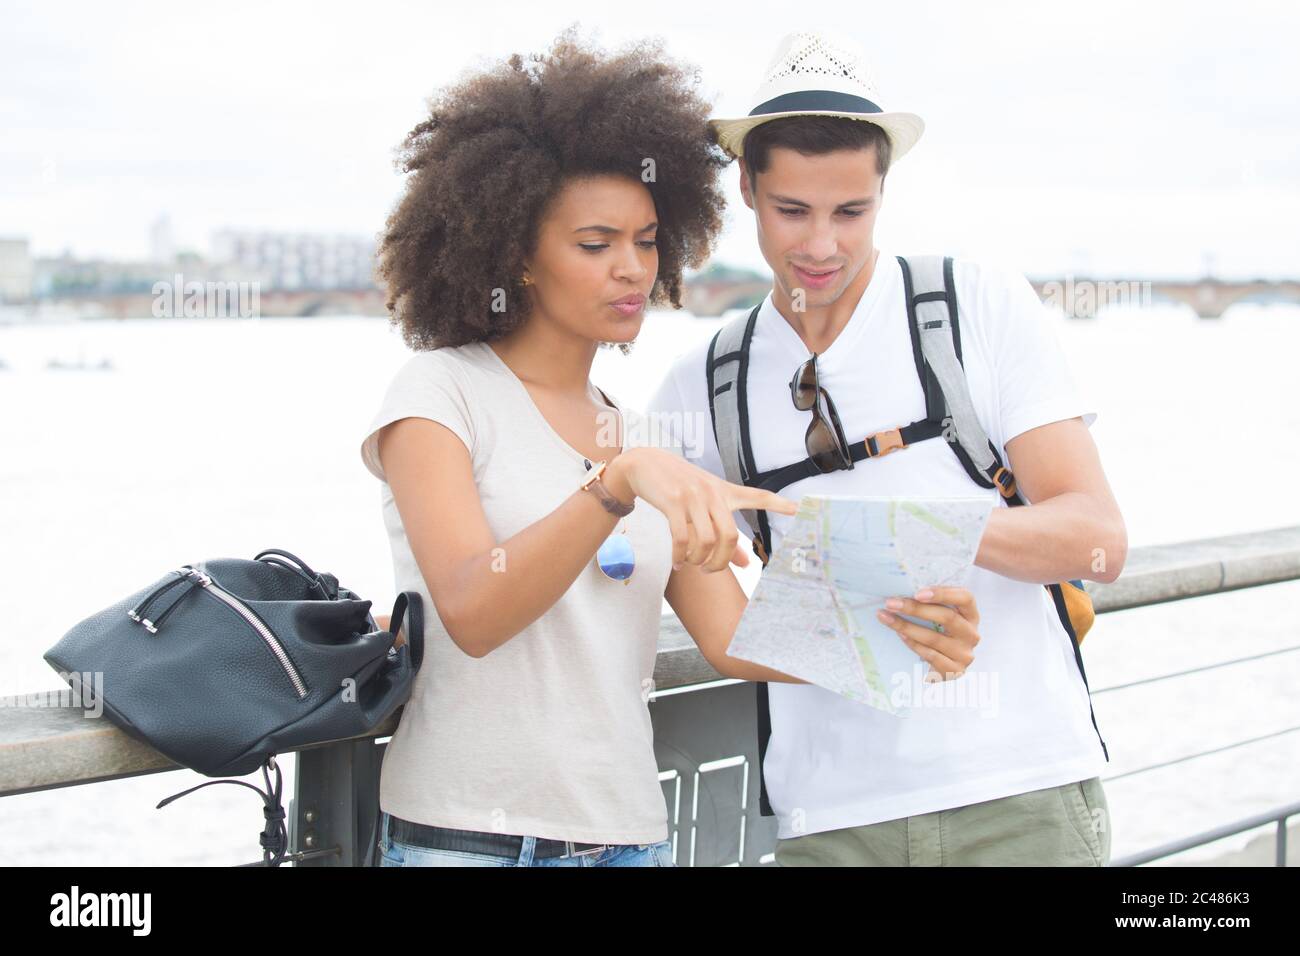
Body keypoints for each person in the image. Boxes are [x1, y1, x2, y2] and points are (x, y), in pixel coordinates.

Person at [646, 31, 1128, 866]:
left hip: (1024, 797)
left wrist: (912, 536)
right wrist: (880, 616)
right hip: (827, 826)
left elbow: (1098, 539)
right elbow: (725, 636)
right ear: (748, 188)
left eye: (851, 212)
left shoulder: (976, 306)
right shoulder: (701, 384)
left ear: (883, 189)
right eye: (792, 210)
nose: (822, 245)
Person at [357, 29, 816, 868]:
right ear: (517, 256)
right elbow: (473, 610)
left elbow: (734, 637)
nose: (632, 270)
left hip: (625, 839)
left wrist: (901, 623)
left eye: (645, 241)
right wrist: (613, 488)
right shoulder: (438, 395)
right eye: (595, 244)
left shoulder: (641, 441)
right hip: (464, 838)